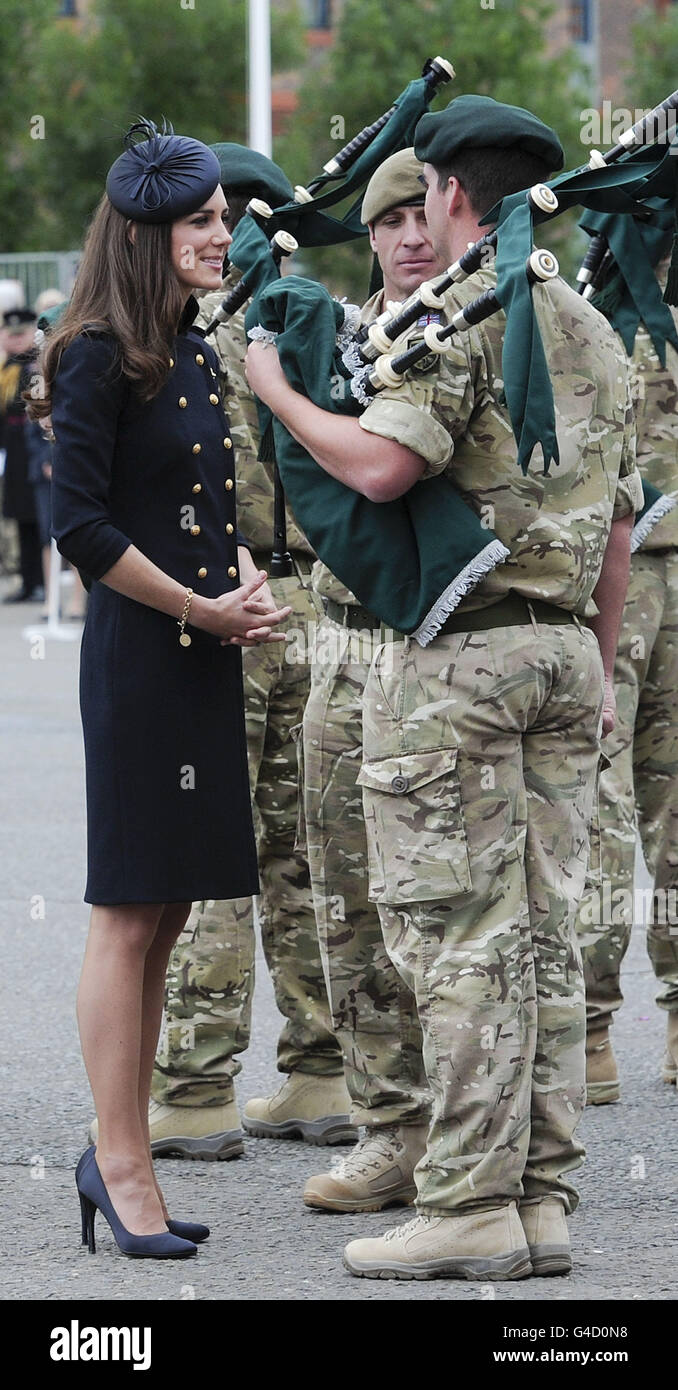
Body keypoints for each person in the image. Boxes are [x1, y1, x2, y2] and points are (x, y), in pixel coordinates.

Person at [246, 95, 642, 1280]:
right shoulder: (597, 330)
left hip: (460, 661)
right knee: (543, 937)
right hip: (567, 651)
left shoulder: (468, 310)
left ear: (457, 195)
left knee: (463, 941)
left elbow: (381, 466)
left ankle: (466, 1198)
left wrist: (275, 388)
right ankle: (538, 1198)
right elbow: (620, 526)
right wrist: (606, 666)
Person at [35, 120, 290, 1259]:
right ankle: (120, 1158)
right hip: (143, 662)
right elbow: (79, 528)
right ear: (144, 235)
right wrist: (200, 606)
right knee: (127, 911)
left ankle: (121, 1147)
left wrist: (236, 572)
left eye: (222, 220)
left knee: (175, 905)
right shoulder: (93, 348)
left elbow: (191, 501)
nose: (220, 236)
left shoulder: (192, 344)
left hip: (201, 652)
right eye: (201, 223)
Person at [136, 143, 351, 1162]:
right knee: (304, 850)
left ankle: (197, 1086)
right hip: (315, 602)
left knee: (214, 848)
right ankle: (321, 1066)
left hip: (229, 604)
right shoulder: (321, 322)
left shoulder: (204, 334)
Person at [301, 149, 438, 1214]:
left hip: (448, 659)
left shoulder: (489, 327)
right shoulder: (332, 344)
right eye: (386, 220)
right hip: (340, 649)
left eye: (421, 214)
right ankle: (388, 1124)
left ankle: (479, 1138)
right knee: (346, 903)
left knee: (444, 912)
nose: (406, 237)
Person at [576, 245, 678, 1103]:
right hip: (630, 562)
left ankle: (594, 1034)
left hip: (620, 565)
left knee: (603, 801)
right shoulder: (604, 301)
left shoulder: (592, 307)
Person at [0, 308, 44, 602]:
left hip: (33, 449)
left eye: (21, 334)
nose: (16, 340)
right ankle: (28, 581)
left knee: (38, 518)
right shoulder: (7, 369)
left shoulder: (36, 365)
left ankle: (41, 582)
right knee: (20, 518)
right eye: (10, 334)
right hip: (12, 452)